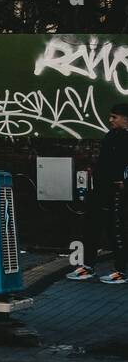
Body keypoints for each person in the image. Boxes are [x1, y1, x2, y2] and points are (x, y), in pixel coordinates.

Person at [68, 103, 128, 284]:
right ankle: (88, 266)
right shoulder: (112, 135)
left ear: (125, 119)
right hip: (101, 189)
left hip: (116, 191)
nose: (110, 120)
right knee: (92, 226)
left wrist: (124, 183)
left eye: (114, 117)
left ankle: (121, 271)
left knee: (116, 230)